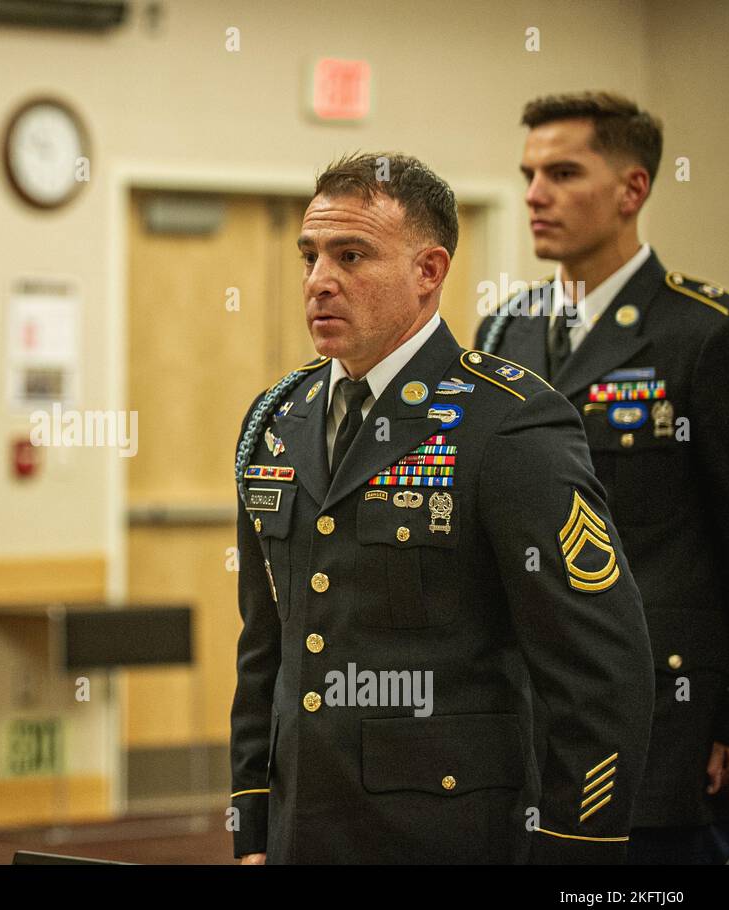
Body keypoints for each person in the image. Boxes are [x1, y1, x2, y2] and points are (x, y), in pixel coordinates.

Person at [229, 152, 653, 864]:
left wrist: (573, 851)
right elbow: (264, 648)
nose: (319, 281)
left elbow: (601, 666)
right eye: (310, 256)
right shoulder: (276, 418)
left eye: (351, 255)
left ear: (429, 271)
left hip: (450, 835)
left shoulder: (509, 423)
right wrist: (252, 819)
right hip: (306, 828)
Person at [477, 92, 729, 864]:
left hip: (664, 709)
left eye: (562, 172)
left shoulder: (705, 333)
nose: (534, 195)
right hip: (527, 708)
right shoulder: (505, 330)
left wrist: (728, 713)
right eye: (527, 174)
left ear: (632, 190)